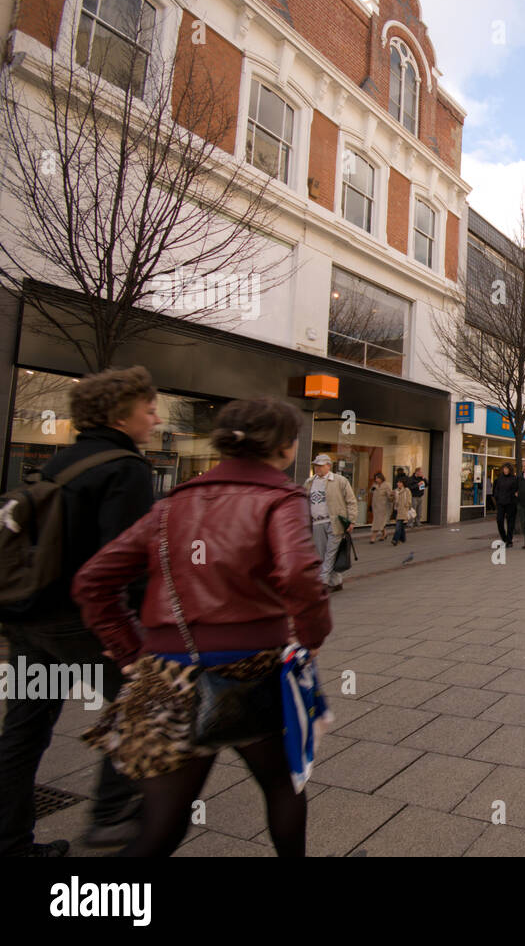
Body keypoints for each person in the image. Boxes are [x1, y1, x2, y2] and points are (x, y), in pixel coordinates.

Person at [73, 397, 332, 857]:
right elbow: (298, 574)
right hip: (252, 667)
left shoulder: (172, 504)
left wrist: (131, 651)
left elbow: (93, 580)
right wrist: (310, 639)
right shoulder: (279, 497)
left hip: (168, 673)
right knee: (281, 786)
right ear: (286, 447)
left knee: (163, 825)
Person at [0, 366, 159, 857]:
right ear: (120, 414)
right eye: (148, 408)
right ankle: (111, 813)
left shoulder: (60, 463)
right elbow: (123, 561)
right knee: (142, 705)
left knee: (23, 730)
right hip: (83, 622)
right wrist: (138, 634)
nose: (154, 418)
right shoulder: (125, 469)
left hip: (29, 620)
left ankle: (10, 843)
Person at [305, 454, 357, 592]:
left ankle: (323, 582)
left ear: (329, 465)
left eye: (321, 465)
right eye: (316, 465)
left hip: (335, 522)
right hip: (317, 522)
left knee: (330, 552)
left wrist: (351, 520)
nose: (318, 468)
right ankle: (336, 582)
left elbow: (351, 501)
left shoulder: (339, 481)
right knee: (321, 553)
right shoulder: (309, 482)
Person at [493, 464, 519, 547]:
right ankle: (504, 538)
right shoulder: (499, 479)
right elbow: (496, 489)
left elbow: (517, 490)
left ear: (510, 470)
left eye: (507, 469)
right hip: (501, 503)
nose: (505, 470)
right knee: (499, 520)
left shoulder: (515, 479)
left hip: (511, 503)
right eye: (504, 469)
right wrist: (497, 498)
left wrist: (515, 497)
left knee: (510, 523)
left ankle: (509, 541)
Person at [368, 472, 393, 544]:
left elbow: (389, 496)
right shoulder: (375, 485)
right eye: (375, 478)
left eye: (377, 478)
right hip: (375, 506)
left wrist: (392, 495)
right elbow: (370, 492)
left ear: (381, 478)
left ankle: (373, 537)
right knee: (380, 521)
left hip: (383, 506)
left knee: (377, 521)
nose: (376, 480)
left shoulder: (387, 485)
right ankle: (384, 534)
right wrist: (373, 488)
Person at [392, 477, 412, 546]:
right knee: (401, 526)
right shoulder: (395, 491)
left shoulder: (407, 490)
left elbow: (409, 500)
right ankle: (403, 539)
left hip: (403, 510)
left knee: (398, 525)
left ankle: (395, 539)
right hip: (397, 510)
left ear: (403, 483)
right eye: (398, 482)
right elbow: (393, 500)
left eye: (400, 482)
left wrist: (406, 507)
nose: (398, 483)